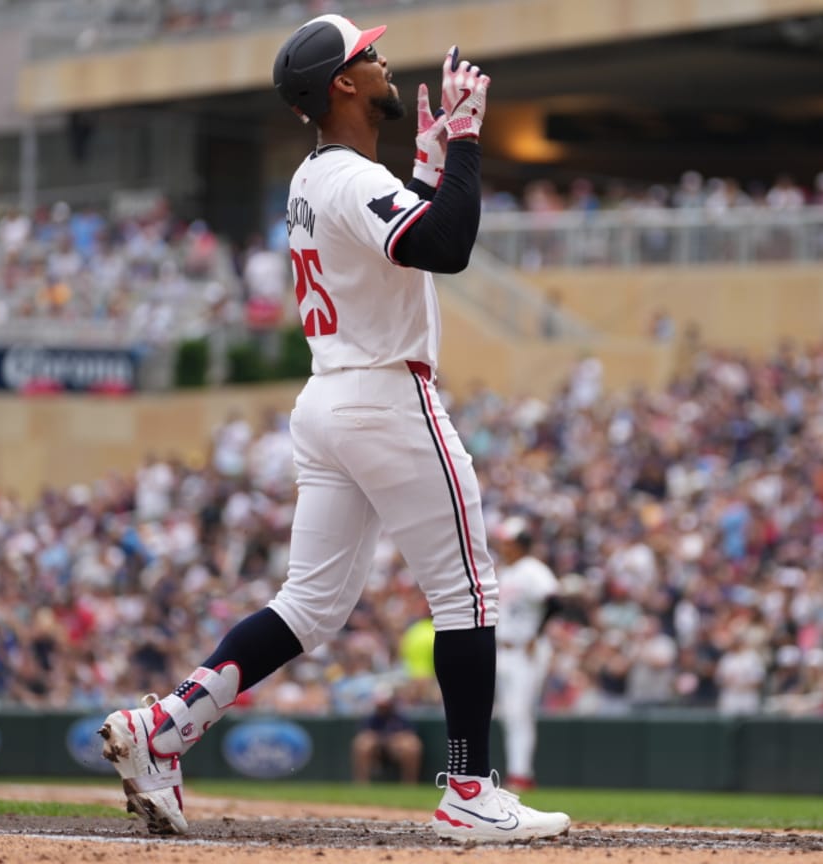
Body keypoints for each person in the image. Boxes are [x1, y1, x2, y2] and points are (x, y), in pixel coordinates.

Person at [95, 14, 570, 844]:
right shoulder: (348, 178)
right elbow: (447, 245)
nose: (385, 62)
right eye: (368, 55)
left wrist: (425, 163)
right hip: (386, 395)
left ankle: (166, 725)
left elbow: (400, 247)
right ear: (343, 84)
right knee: (468, 593)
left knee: (309, 607)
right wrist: (462, 143)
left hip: (328, 399)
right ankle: (468, 788)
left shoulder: (316, 178)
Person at [491, 517, 562, 792]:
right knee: (509, 715)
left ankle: (521, 775)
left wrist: (538, 633)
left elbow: (555, 602)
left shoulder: (533, 570)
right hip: (504, 648)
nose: (504, 547)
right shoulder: (506, 572)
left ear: (522, 544)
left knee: (519, 713)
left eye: (509, 543)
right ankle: (517, 774)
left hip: (525, 650)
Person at [351, 687, 422, 784]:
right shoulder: (371, 719)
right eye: (380, 705)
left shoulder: (400, 717)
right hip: (377, 751)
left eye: (385, 704)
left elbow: (410, 735)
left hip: (396, 751)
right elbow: (365, 735)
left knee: (411, 746)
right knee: (362, 744)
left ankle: (409, 784)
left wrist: (393, 740)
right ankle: (361, 784)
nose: (383, 708)